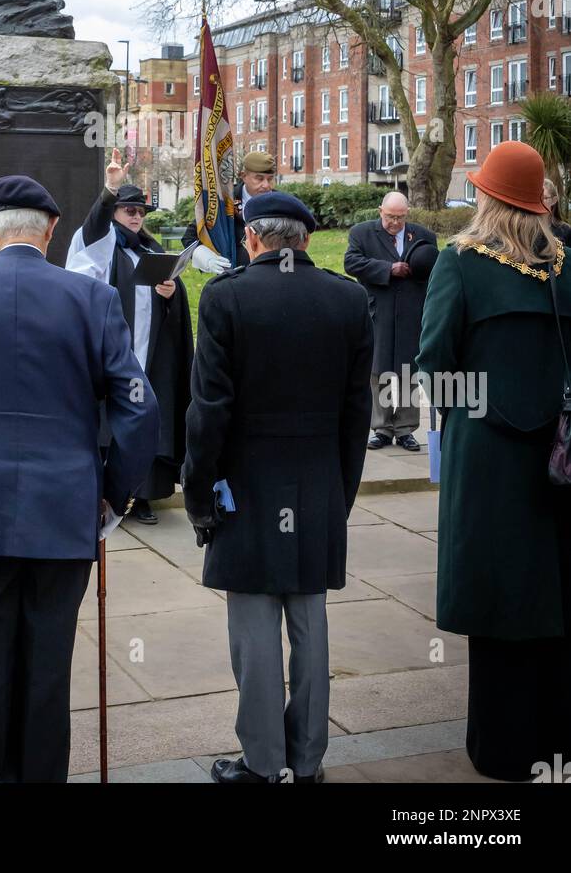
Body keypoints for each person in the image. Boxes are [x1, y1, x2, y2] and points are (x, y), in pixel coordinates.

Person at [0, 175, 158, 784]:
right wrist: (112, 494)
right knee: (48, 663)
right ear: (51, 230)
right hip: (63, 507)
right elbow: (138, 407)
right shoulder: (90, 299)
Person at [182, 191, 373, 784]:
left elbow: (208, 411)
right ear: (306, 240)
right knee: (310, 622)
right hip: (318, 480)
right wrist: (341, 491)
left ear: (254, 240)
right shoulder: (348, 298)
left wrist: (198, 493)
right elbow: (355, 410)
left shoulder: (226, 297)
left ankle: (265, 764)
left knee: (254, 627)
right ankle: (307, 760)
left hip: (247, 484)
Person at [417, 141, 571, 782]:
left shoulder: (460, 263)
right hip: (563, 460)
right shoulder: (567, 262)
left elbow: (433, 363)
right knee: (555, 598)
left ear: (486, 197)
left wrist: (478, 407)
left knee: (499, 598)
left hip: (489, 460)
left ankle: (506, 751)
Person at [67, 148, 193, 524]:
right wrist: (110, 188)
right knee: (112, 425)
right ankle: (107, 494)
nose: (136, 217)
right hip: (112, 354)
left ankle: (141, 495)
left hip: (149, 354)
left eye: (140, 212)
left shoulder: (151, 249)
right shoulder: (101, 244)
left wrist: (172, 295)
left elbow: (173, 302)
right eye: (128, 210)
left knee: (145, 422)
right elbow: (93, 230)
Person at [343, 191, 437, 451]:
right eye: (389, 217)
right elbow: (351, 263)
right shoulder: (361, 233)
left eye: (399, 217)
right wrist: (387, 269)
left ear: (407, 214)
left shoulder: (423, 236)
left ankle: (406, 429)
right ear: (380, 211)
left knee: (409, 371)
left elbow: (433, 269)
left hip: (412, 311)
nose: (394, 222)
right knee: (378, 371)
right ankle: (382, 428)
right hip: (378, 310)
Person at [182, 150, 276, 273]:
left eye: (270, 179)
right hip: (233, 280)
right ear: (243, 176)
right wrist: (206, 258)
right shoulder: (223, 201)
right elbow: (190, 237)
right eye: (259, 179)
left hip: (271, 275)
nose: (266, 185)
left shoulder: (280, 203)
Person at [543, 177, 571, 244]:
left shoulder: (565, 230)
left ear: (554, 200)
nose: (540, 201)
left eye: (544, 198)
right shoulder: (526, 227)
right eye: (537, 197)